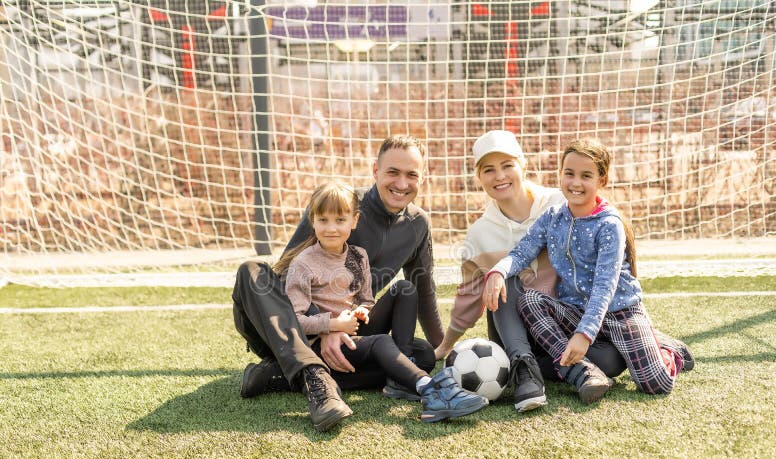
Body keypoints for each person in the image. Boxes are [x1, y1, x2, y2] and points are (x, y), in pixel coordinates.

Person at [232, 135, 445, 432]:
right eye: (392, 172)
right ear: (375, 171)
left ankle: (276, 376)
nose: (401, 182)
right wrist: (326, 326)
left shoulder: (418, 224)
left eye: (411, 174)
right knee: (252, 271)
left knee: (419, 357)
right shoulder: (339, 206)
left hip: (350, 326)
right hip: (293, 328)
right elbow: (285, 276)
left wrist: (443, 349)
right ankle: (313, 377)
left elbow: (423, 291)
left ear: (423, 178)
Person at [483, 138, 694, 404]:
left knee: (655, 384)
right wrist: (498, 271)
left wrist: (584, 335)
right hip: (574, 310)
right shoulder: (553, 217)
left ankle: (665, 348)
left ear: (601, 180)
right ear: (560, 174)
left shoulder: (609, 225)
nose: (575, 182)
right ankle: (581, 370)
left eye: (586, 176)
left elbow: (604, 288)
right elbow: (522, 252)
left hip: (619, 312)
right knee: (530, 301)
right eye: (569, 173)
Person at [435, 130, 626, 413]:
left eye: (507, 165)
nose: (499, 176)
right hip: (511, 325)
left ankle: (547, 365)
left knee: (613, 361)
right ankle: (524, 369)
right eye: (489, 170)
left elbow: (608, 268)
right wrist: (444, 346)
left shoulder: (559, 204)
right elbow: (468, 298)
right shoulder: (479, 234)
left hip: (560, 322)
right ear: (479, 177)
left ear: (523, 165)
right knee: (503, 275)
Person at [279, 181, 487, 423]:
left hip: (353, 330)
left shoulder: (358, 255)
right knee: (381, 343)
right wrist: (334, 325)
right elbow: (295, 321)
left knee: (406, 292)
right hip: (327, 344)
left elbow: (366, 300)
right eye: (323, 220)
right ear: (312, 221)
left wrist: (362, 311)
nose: (331, 228)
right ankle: (428, 387)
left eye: (339, 220)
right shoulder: (303, 264)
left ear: (354, 221)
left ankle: (399, 378)